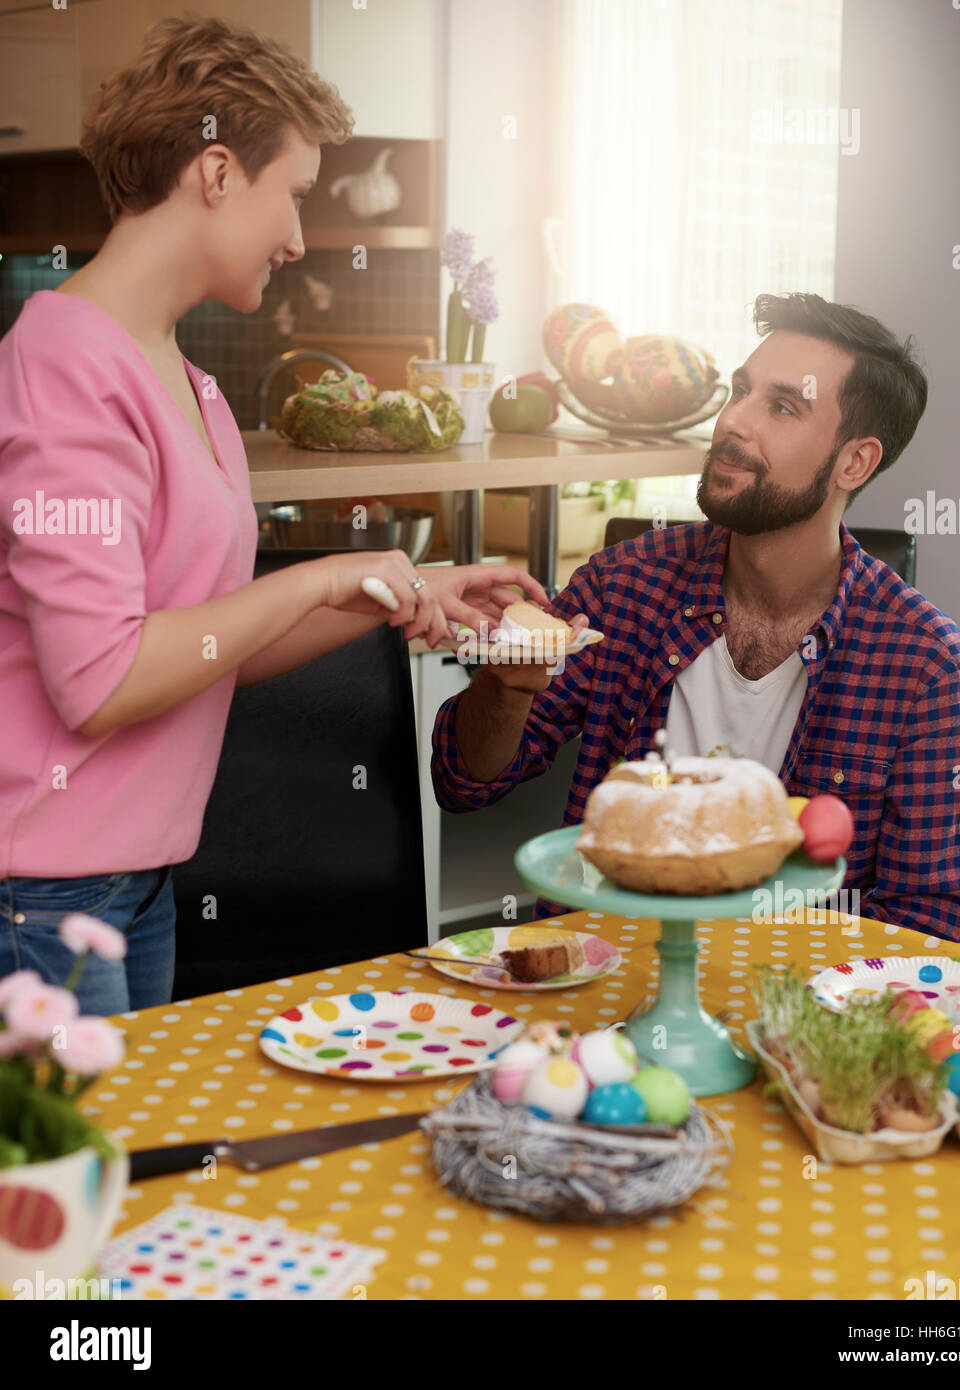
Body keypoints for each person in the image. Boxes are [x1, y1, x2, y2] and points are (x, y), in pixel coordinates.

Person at [0, 15, 550, 1014]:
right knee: (66, 1176)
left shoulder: (193, 384)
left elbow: (211, 645)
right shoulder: (67, 366)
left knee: (130, 1173)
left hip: (135, 881)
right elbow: (101, 676)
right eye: (292, 194)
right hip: (37, 896)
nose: (300, 239)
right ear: (215, 172)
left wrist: (402, 590)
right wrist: (319, 574)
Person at [433, 292, 960, 943]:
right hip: (601, 972)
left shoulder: (925, 663)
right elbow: (465, 782)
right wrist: (505, 686)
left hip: (784, 1001)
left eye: (781, 407)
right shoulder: (624, 584)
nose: (733, 422)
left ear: (852, 461)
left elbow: (923, 921)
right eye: (739, 391)